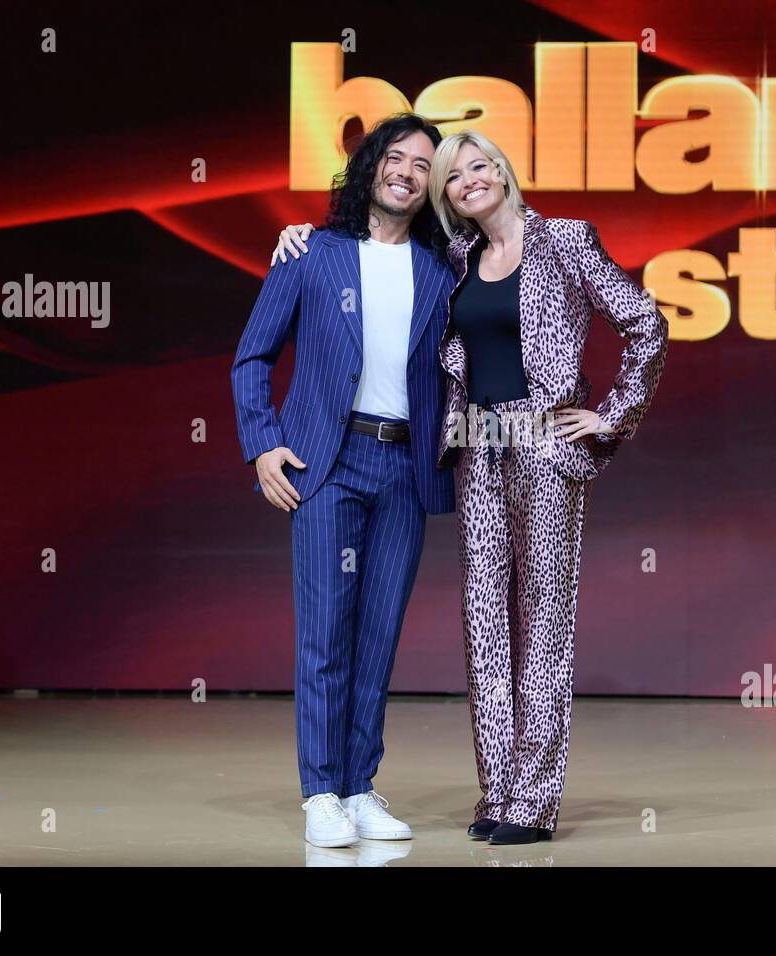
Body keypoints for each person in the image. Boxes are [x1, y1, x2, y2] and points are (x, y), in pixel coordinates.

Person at [271, 129, 667, 845]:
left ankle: (534, 801)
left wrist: (609, 416)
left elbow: (647, 323)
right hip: (476, 449)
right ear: (445, 198)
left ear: (504, 172)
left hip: (545, 444)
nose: (468, 181)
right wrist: (304, 234)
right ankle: (498, 795)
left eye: (479, 167)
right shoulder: (454, 259)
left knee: (541, 625)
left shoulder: (568, 240)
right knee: (484, 626)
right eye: (453, 178)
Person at [231, 113, 455, 849]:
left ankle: (360, 787)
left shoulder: (442, 271)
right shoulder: (310, 254)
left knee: (379, 635)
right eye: (396, 158)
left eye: (424, 165)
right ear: (372, 167)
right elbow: (252, 357)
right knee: (325, 634)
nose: (407, 172)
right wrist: (263, 444)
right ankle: (320, 792)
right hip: (327, 466)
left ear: (432, 186)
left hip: (403, 468)